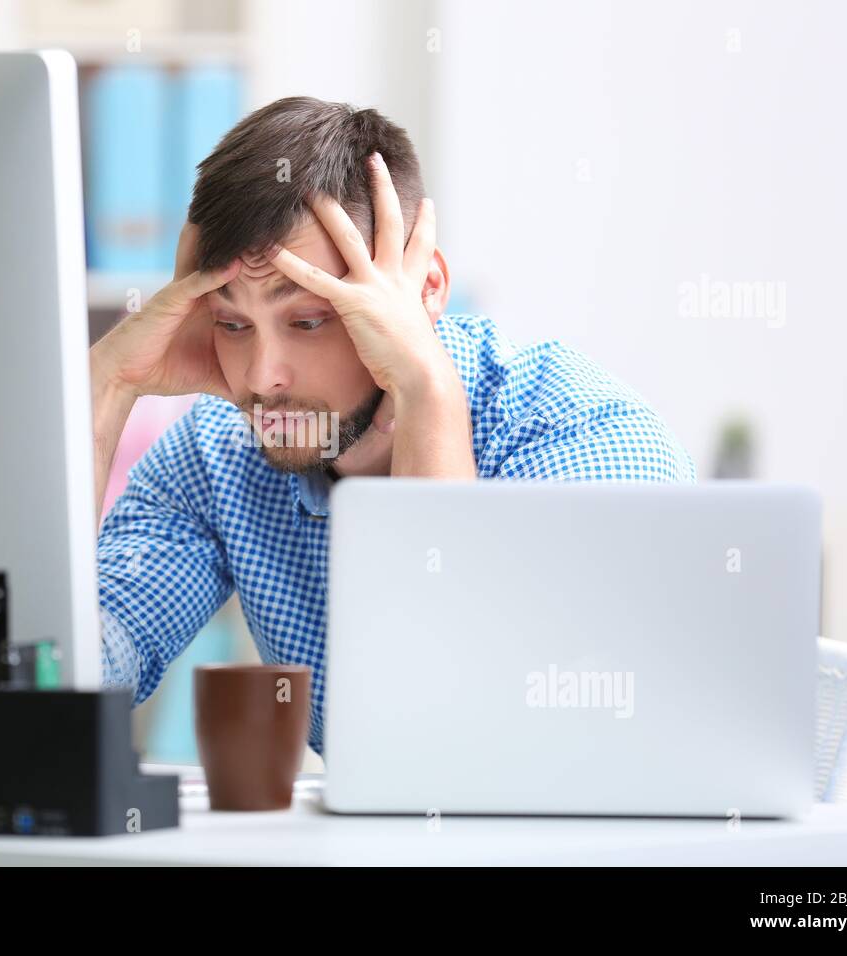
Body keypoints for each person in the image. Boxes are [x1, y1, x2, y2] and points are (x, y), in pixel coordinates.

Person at [89, 96, 695, 755]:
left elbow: (468, 747)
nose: (263, 378)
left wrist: (427, 394)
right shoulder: (218, 451)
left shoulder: (585, 437)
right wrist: (107, 385)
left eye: (309, 321)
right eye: (233, 325)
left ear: (426, 289)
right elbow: (68, 674)